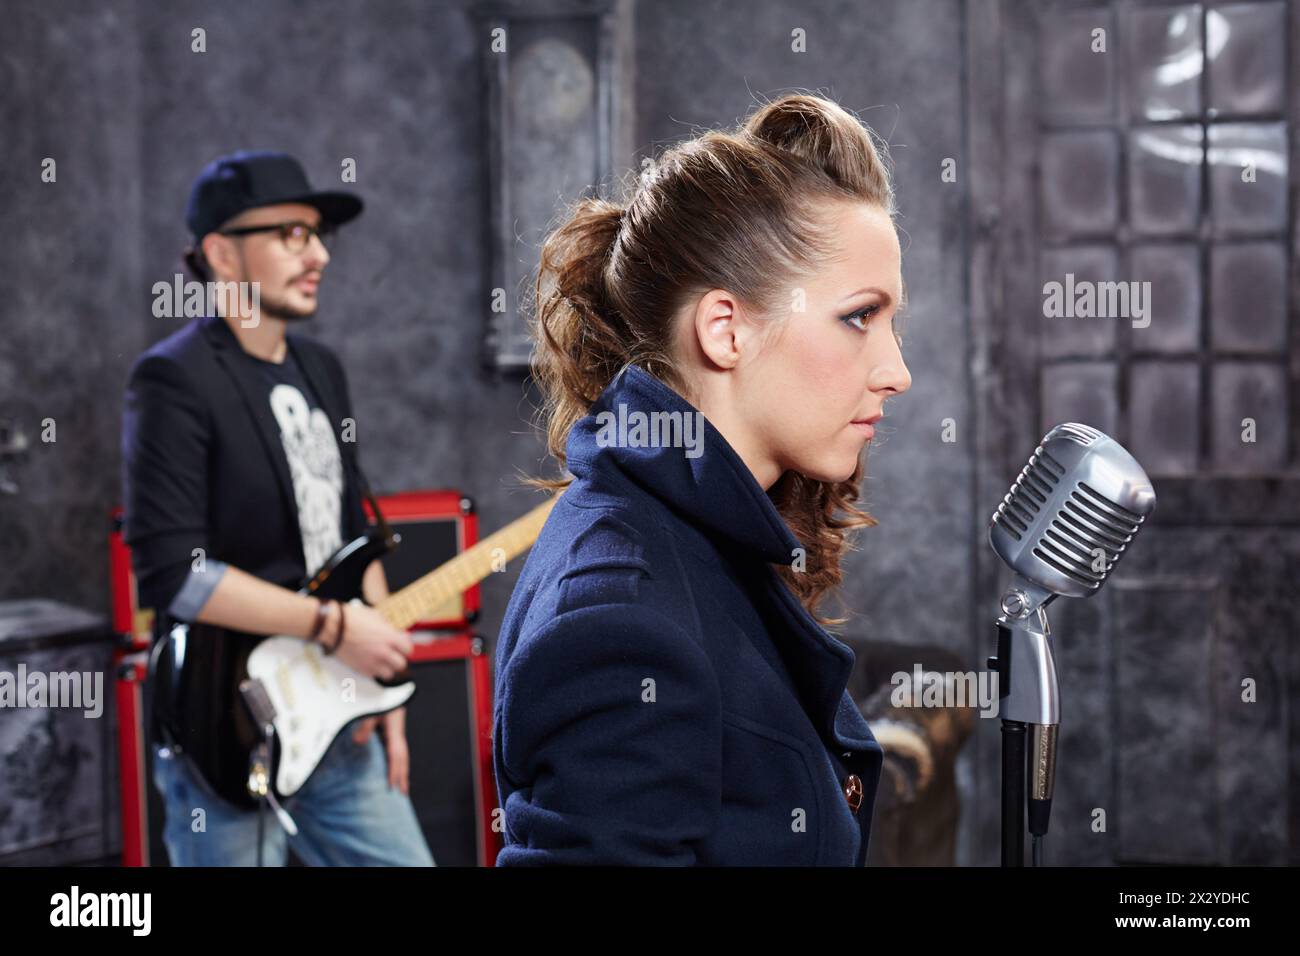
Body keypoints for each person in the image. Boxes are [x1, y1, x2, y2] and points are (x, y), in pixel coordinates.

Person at [493, 94, 912, 865]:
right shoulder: (621, 621)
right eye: (859, 317)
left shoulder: (703, 539)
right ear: (726, 330)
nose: (896, 371)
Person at [121, 150, 434, 866]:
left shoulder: (322, 369)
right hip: (227, 724)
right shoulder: (172, 379)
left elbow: (354, 535)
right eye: (291, 233)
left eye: (318, 233)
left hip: (340, 718)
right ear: (222, 255)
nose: (318, 252)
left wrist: (382, 685)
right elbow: (177, 575)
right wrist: (332, 627)